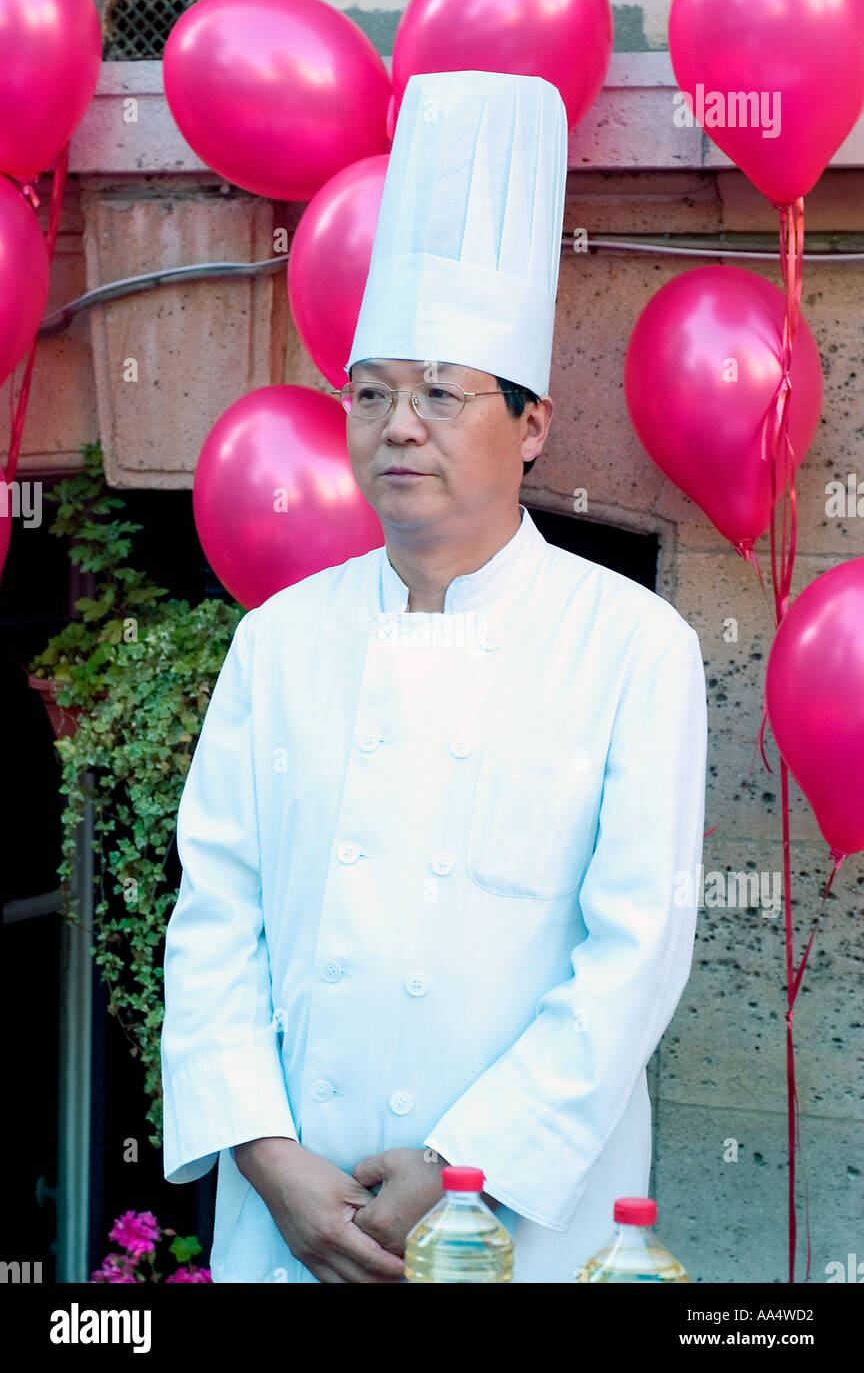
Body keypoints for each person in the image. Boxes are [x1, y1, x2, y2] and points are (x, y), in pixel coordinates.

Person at [160, 70, 708, 1284]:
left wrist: (466, 1166)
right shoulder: (281, 638)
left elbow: (634, 958)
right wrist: (264, 1156)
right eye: (372, 392)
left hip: (517, 1221)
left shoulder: (630, 647)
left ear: (530, 423)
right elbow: (215, 921)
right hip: (287, 1216)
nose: (397, 425)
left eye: (442, 394)